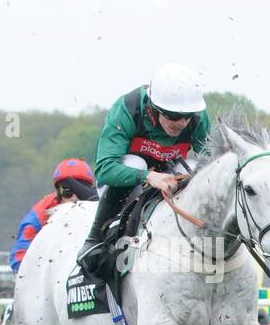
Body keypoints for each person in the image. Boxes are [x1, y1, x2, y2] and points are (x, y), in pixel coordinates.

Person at [76, 62, 212, 283]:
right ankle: (94, 240)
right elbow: (104, 169)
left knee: (196, 169)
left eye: (187, 116)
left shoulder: (197, 117)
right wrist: (147, 176)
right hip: (124, 179)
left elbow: (213, 162)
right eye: (173, 116)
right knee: (136, 162)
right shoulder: (127, 108)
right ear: (153, 107)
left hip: (170, 170)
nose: (181, 123)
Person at [9, 158, 98, 272]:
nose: (74, 197)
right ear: (58, 191)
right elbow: (19, 254)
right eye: (68, 191)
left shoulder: (96, 206)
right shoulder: (42, 212)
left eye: (81, 190)